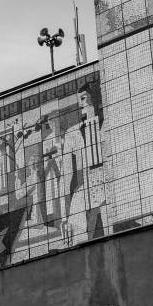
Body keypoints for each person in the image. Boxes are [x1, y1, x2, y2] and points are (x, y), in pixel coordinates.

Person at [62, 83, 105, 245]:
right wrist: (66, 215)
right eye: (78, 100)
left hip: (106, 181)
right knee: (80, 232)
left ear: (94, 97)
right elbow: (68, 173)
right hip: (87, 186)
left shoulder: (107, 123)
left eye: (83, 98)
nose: (80, 103)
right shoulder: (73, 132)